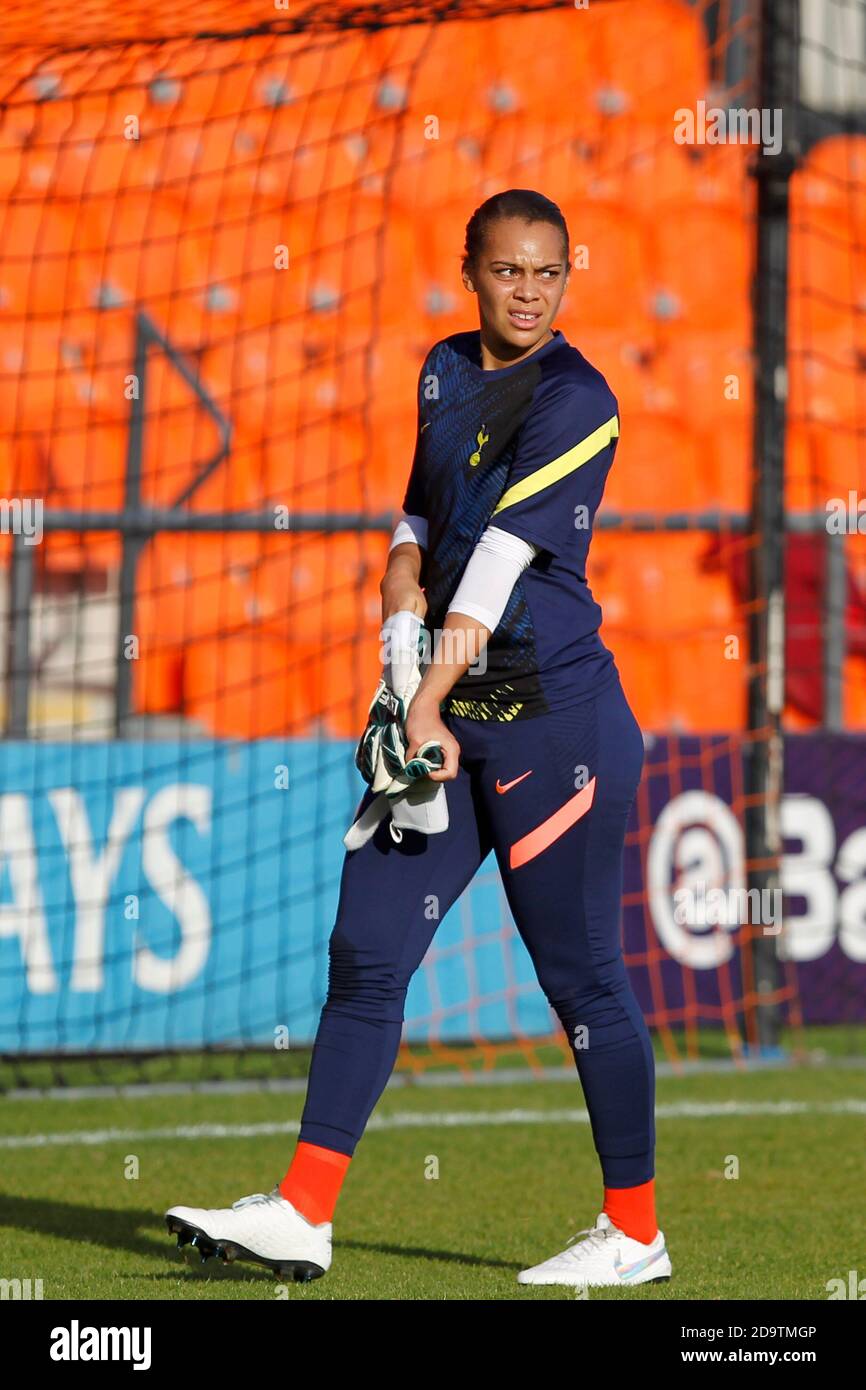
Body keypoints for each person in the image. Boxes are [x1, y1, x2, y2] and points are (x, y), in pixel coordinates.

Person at [166, 188, 671, 1291]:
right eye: (508, 271)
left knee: (580, 984)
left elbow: (490, 572)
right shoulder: (442, 369)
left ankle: (633, 1230)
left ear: (567, 277)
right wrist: (397, 587)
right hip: (452, 719)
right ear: (469, 271)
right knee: (365, 953)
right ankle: (303, 1212)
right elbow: (421, 522)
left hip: (554, 727)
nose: (529, 291)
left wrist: (421, 704)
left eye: (549, 272)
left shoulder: (577, 399)